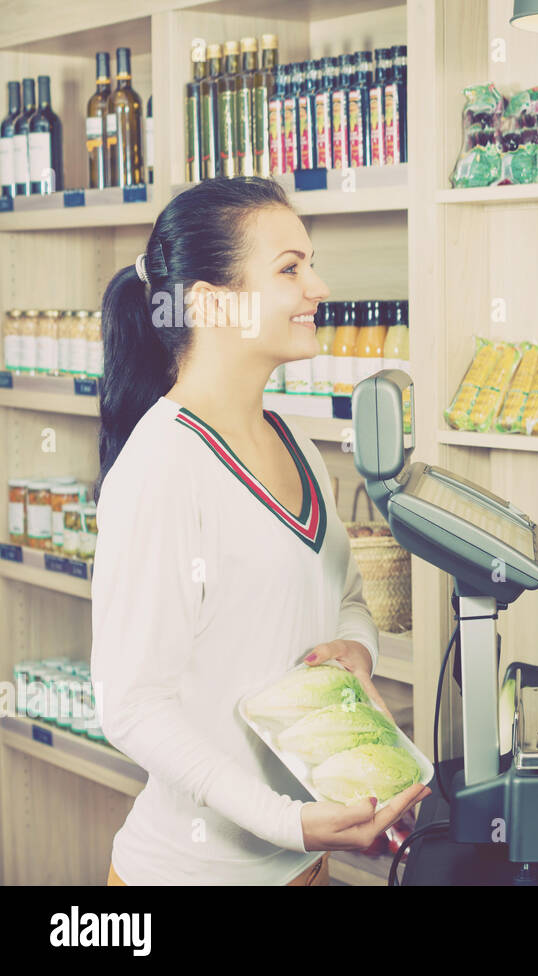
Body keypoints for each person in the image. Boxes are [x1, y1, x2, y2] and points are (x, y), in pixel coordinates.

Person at [92, 177, 429, 885]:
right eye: (290, 269)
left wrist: (356, 652)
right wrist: (286, 819)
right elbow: (130, 706)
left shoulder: (295, 442)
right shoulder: (161, 467)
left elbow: (345, 601)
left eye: (310, 264)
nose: (319, 286)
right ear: (212, 302)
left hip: (304, 865)